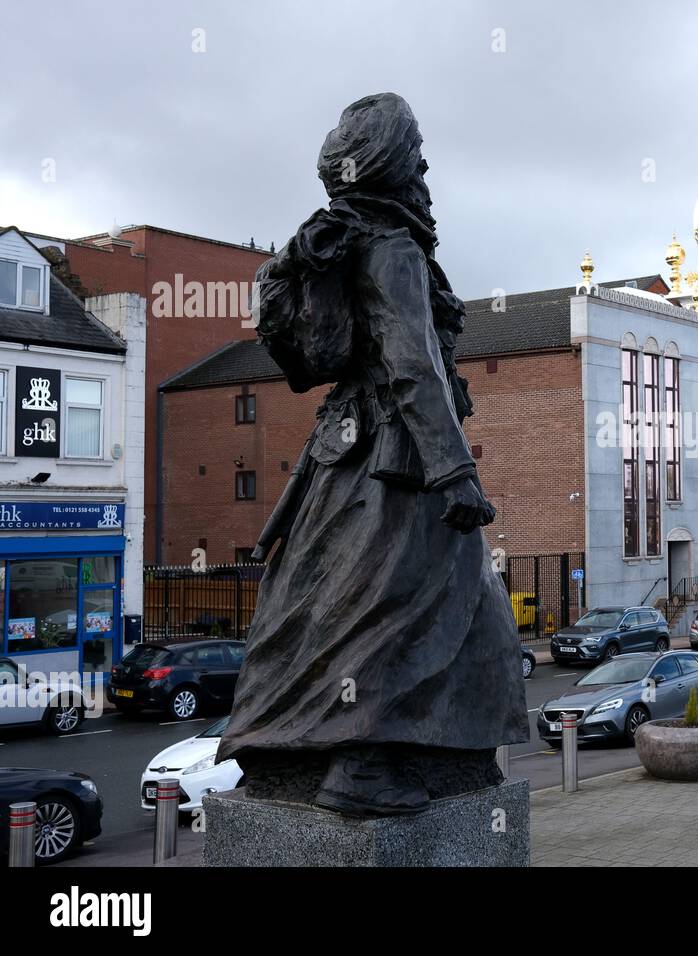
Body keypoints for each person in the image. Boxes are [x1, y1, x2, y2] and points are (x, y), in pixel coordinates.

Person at [217, 93, 529, 816]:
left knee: (327, 603)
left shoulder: (355, 242)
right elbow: (412, 365)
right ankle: (362, 765)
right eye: (416, 150)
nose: (425, 164)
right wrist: (455, 474)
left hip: (343, 463)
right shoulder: (392, 249)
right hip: (400, 465)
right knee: (418, 610)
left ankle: (285, 750)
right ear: (392, 164)